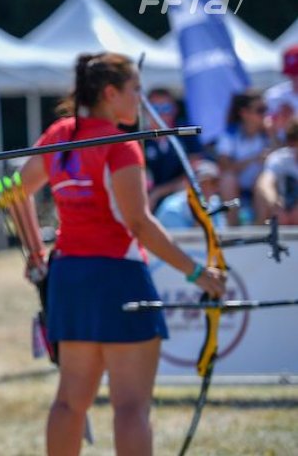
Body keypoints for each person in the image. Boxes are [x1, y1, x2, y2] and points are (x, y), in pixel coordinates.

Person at [14, 53, 225, 456]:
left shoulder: (60, 133)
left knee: (70, 402)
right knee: (130, 406)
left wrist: (36, 250)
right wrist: (198, 273)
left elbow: (14, 189)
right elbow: (140, 224)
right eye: (136, 90)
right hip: (118, 278)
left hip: (70, 277)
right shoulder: (121, 145)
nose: (141, 100)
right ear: (111, 94)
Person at [216, 91, 275, 226]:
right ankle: (233, 228)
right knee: (228, 179)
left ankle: (261, 229)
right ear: (244, 113)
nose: (265, 114)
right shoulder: (230, 134)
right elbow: (225, 167)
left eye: (266, 109)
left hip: (258, 186)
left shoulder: (268, 133)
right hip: (236, 186)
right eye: (260, 110)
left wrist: (272, 134)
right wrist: (254, 158)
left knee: (264, 181)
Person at [142, 88, 202, 211]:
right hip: (148, 197)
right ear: (146, 111)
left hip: (181, 195)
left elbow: (194, 171)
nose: (160, 114)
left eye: (166, 108)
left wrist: (159, 192)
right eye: (155, 109)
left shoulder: (186, 133)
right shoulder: (140, 138)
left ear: (174, 109)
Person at [154, 160, 227, 230]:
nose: (208, 189)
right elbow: (184, 242)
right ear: (188, 185)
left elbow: (220, 236)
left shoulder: (214, 203)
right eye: (203, 184)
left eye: (213, 183)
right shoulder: (171, 211)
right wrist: (201, 218)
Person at [255, 118, 298, 225]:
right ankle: (262, 233)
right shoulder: (279, 158)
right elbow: (265, 182)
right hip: (283, 209)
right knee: (259, 190)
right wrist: (274, 201)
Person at [263, 45, 298, 132]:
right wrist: (279, 120)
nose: (295, 77)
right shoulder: (274, 96)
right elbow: (264, 127)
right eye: (292, 73)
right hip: (281, 144)